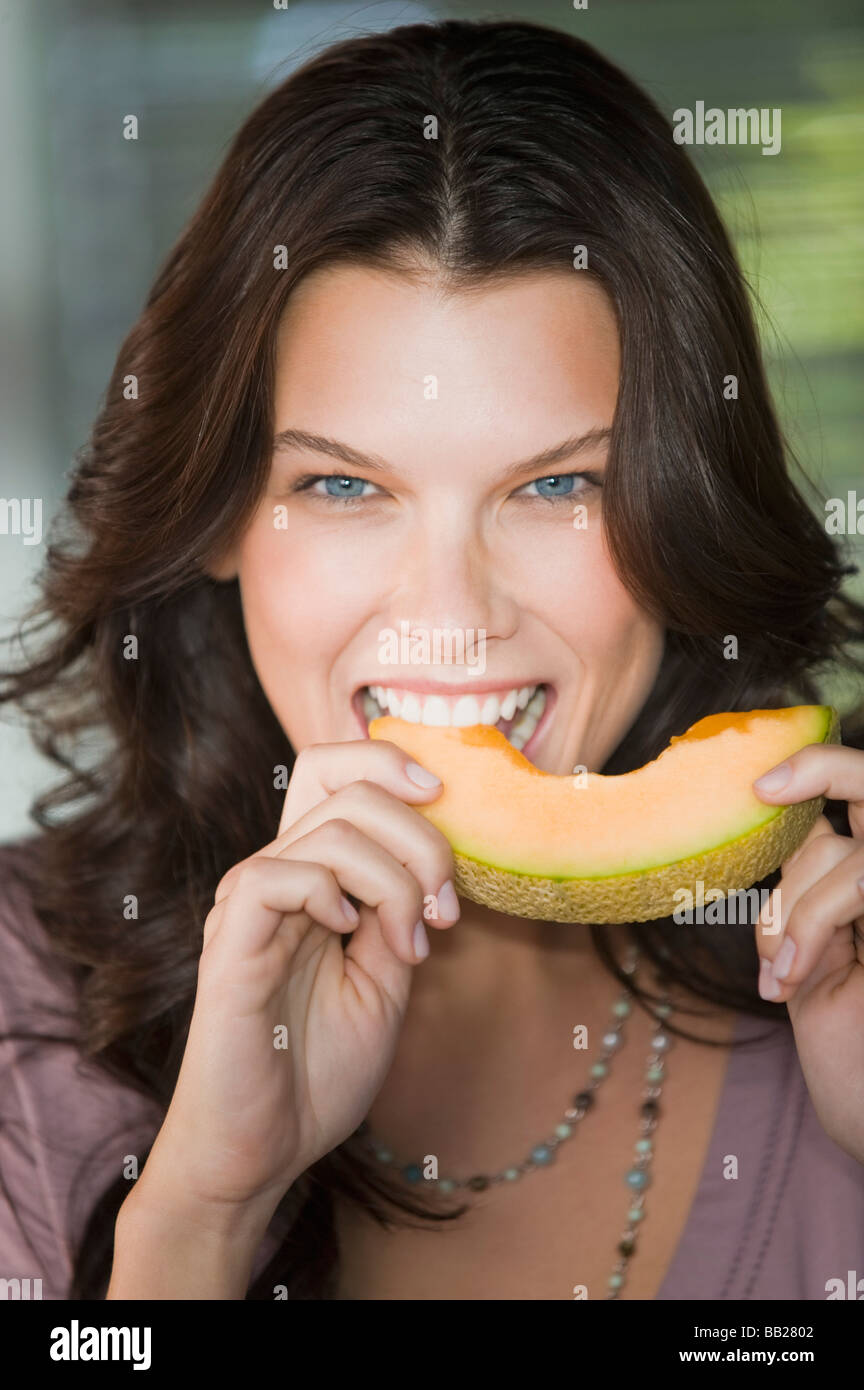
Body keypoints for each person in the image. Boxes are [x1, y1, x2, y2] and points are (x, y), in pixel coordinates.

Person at [2, 18, 863, 1303]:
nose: (450, 612)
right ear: (223, 515)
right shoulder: (20, 1017)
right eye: (345, 483)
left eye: (559, 484)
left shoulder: (836, 990)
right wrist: (198, 1215)